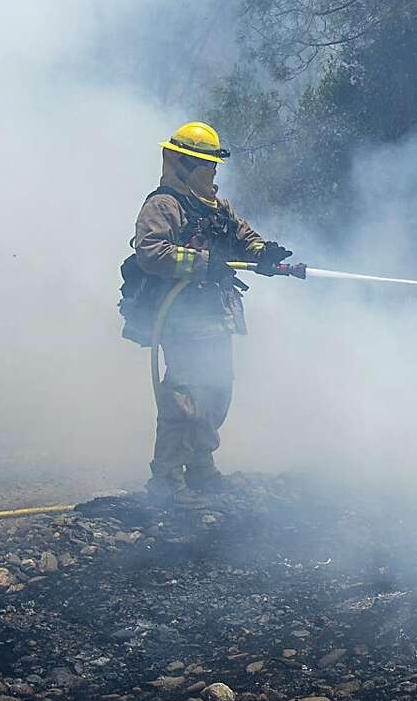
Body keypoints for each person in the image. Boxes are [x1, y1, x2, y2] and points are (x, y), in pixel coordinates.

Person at [125, 122, 292, 500]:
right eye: (206, 164)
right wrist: (202, 263)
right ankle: (166, 480)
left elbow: (241, 235)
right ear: (182, 163)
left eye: (214, 166)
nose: (212, 172)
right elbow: (150, 252)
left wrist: (263, 253)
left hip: (217, 316)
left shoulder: (216, 206)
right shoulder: (162, 205)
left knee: (217, 394)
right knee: (184, 398)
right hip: (181, 318)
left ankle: (201, 466)